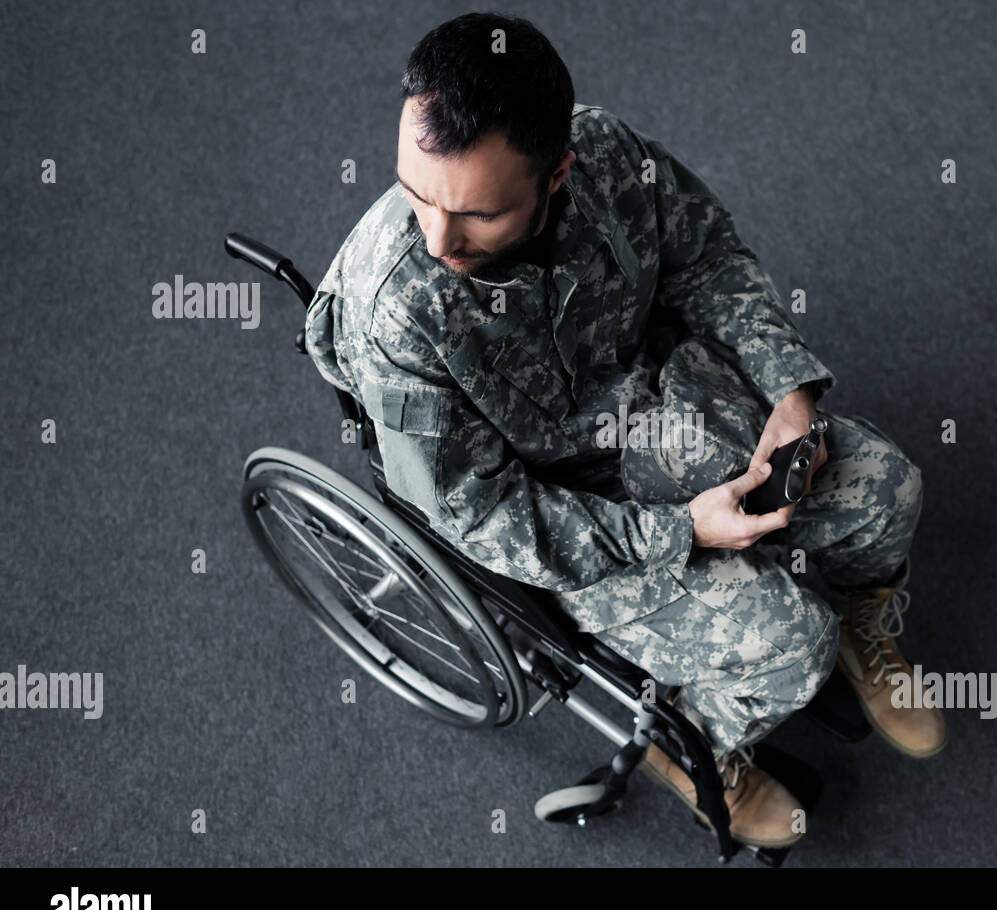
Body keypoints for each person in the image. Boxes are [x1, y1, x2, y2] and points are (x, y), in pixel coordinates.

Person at [304, 12, 945, 850]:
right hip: (566, 513)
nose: (437, 237)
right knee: (793, 646)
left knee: (889, 492)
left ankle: (868, 624)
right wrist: (680, 532)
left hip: (668, 404)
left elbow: (707, 257)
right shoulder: (396, 311)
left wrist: (790, 388)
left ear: (557, 171)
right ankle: (698, 750)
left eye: (478, 214)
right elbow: (483, 515)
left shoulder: (608, 156)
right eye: (415, 192)